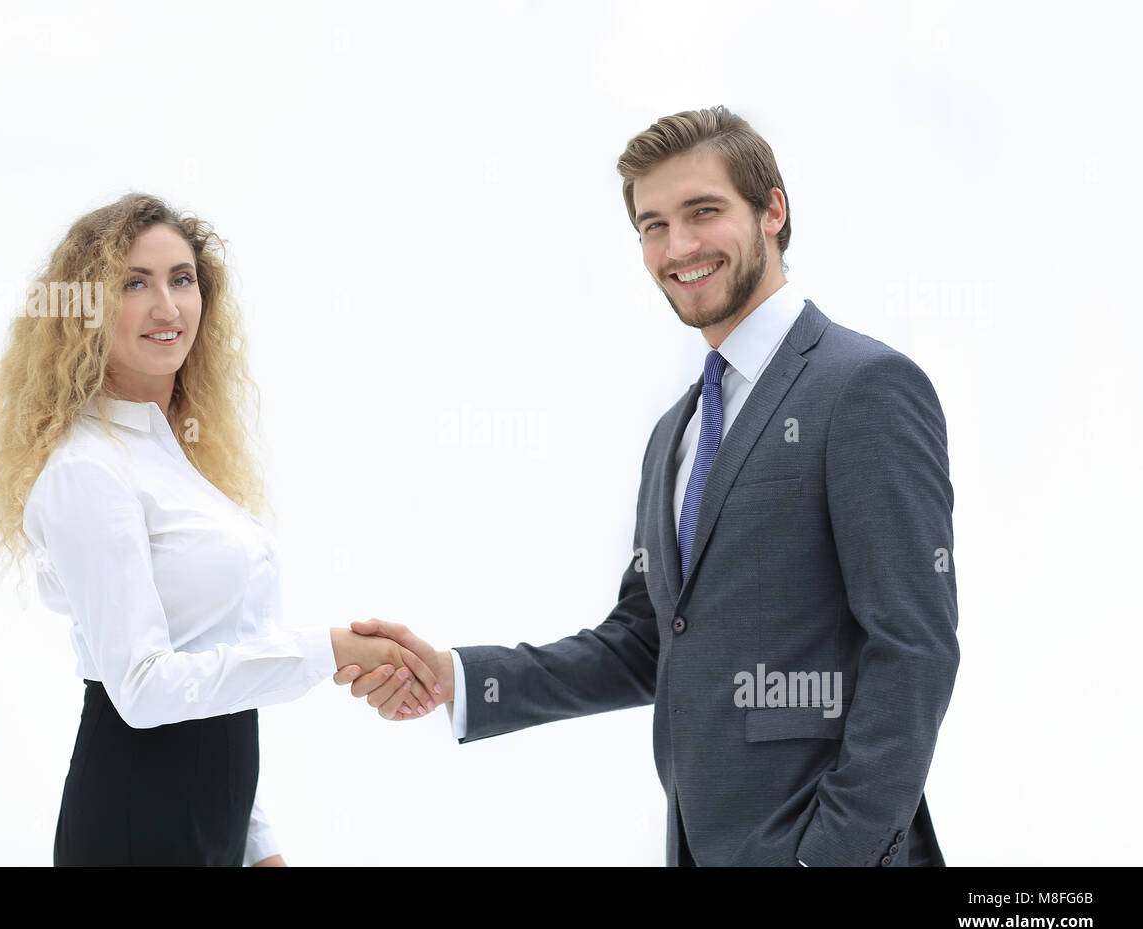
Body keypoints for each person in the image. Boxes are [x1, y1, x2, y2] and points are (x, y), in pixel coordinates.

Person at [334, 107, 960, 867]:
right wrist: (459, 678)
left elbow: (915, 646)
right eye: (653, 225)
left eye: (703, 212)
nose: (679, 247)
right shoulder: (678, 430)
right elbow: (645, 644)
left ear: (773, 210)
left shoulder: (863, 387)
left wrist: (831, 853)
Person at [0, 193, 439, 866]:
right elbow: (146, 691)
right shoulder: (88, 471)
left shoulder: (178, 460)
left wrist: (258, 845)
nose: (167, 307)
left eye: (182, 279)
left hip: (213, 824)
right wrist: (331, 651)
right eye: (135, 283)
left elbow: (216, 671)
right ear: (91, 307)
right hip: (135, 829)